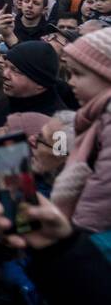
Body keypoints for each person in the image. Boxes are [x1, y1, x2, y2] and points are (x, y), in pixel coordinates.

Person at [51, 27, 111, 232]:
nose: (71, 82)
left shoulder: (61, 122)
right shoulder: (86, 119)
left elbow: (103, 192)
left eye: (78, 74)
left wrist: (74, 236)